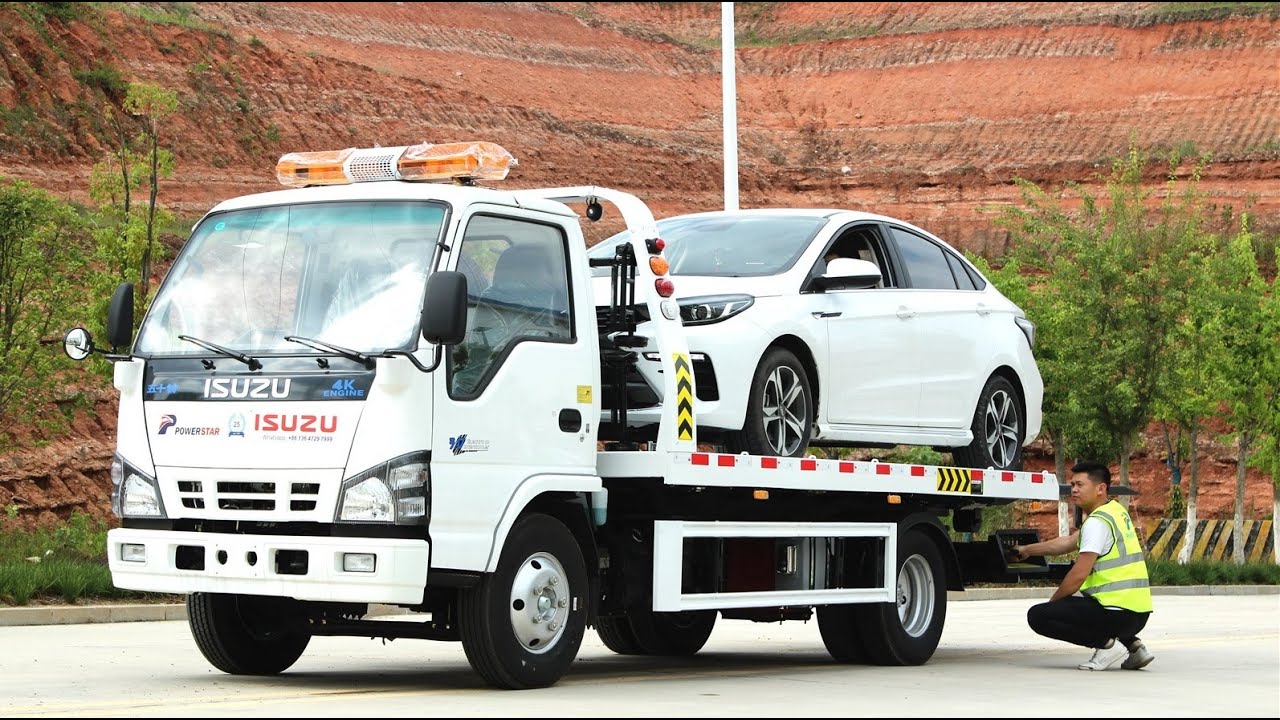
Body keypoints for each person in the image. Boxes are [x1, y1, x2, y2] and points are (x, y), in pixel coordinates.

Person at [1010, 460, 1155, 671]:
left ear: (1101, 488)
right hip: (1137, 614)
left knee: (1038, 616)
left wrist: (1053, 605)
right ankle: (1135, 647)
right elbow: (1068, 542)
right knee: (1084, 604)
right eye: (1072, 484)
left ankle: (1107, 646)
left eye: (1080, 485)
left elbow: (1078, 576)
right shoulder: (1114, 512)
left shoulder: (1097, 523)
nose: (1074, 490)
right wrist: (1027, 550)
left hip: (1117, 613)